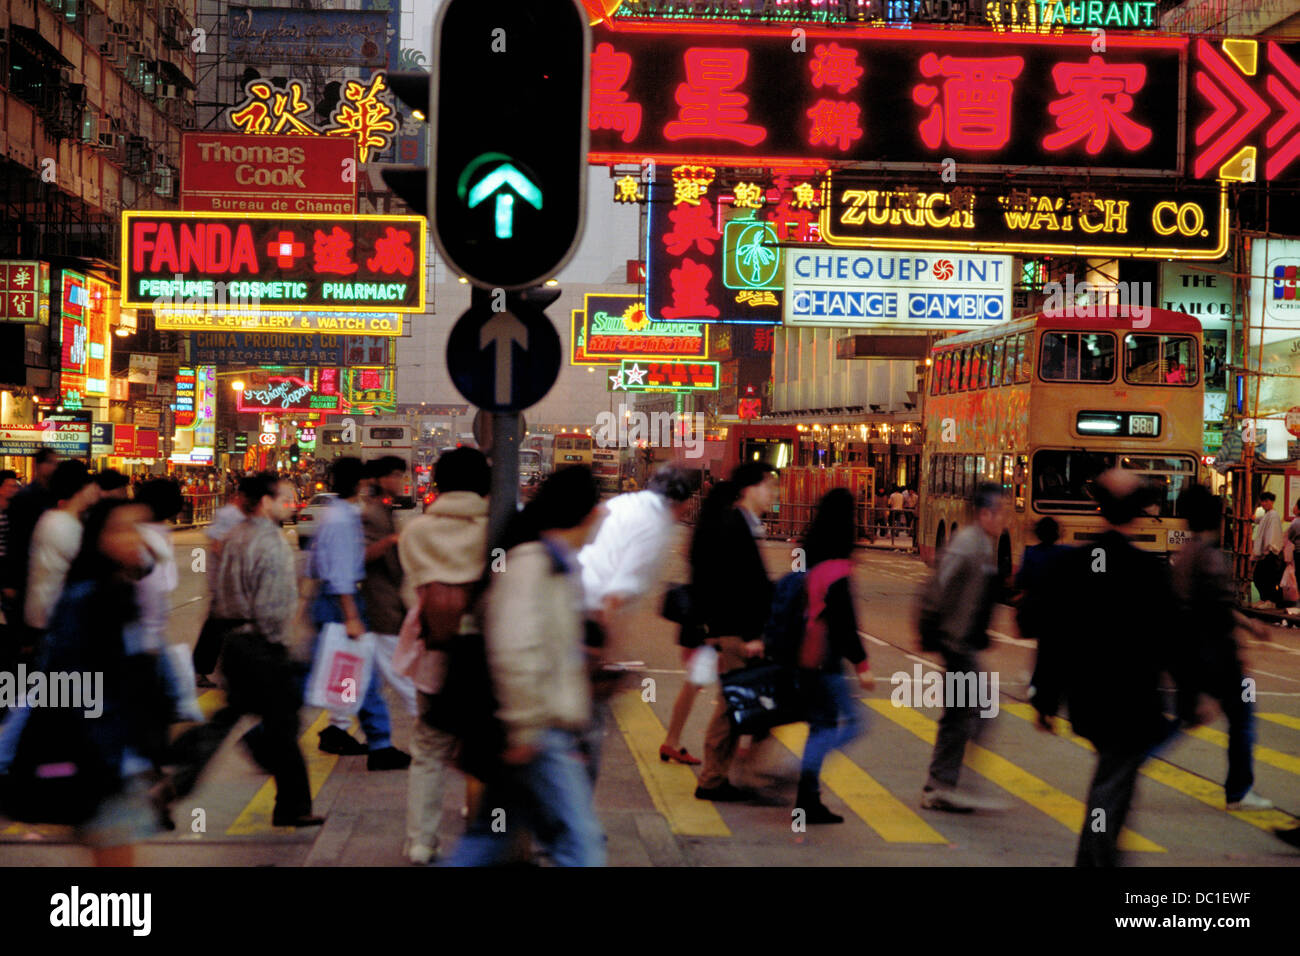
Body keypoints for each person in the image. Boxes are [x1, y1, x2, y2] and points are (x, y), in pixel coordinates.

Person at [1037, 470, 1199, 866]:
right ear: (1140, 514)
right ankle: (1096, 857)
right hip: (1131, 701)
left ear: (1099, 509)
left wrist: (1044, 695)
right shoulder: (1148, 570)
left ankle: (1099, 853)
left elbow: (1055, 634)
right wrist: (1191, 695)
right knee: (1113, 782)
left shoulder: (1074, 563)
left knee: (1114, 776)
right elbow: (1172, 638)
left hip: (1088, 699)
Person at [448, 466, 607, 867]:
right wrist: (525, 727)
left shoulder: (554, 562)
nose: (603, 515)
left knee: (488, 839)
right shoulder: (532, 563)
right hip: (538, 734)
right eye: (598, 507)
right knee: (581, 847)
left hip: (537, 731)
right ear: (584, 514)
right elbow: (515, 648)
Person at [4, 499, 174, 865]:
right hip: (99, 758)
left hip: (118, 756)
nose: (135, 538)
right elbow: (64, 681)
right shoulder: (87, 598)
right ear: (98, 538)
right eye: (123, 529)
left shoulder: (122, 592)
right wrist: (103, 752)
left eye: (140, 528)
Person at [167, 473, 323, 828]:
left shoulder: (231, 538)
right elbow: (273, 607)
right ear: (265, 501)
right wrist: (278, 644)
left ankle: (176, 779)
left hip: (233, 642)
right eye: (282, 498)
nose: (288, 504)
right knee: (282, 729)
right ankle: (292, 807)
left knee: (230, 719)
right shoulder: (271, 544)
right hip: (262, 646)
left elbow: (217, 591)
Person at [396, 448, 491, 865]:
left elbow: (408, 597)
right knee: (490, 748)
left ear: (438, 483)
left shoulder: (416, 532)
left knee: (429, 750)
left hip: (435, 655)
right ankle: (490, 830)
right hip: (487, 660)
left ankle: (422, 841)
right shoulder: (497, 528)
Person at [579, 465, 693, 776]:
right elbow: (613, 598)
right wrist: (606, 659)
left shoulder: (622, 503)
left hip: (564, 607)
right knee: (585, 736)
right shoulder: (654, 526)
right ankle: (570, 820)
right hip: (583, 626)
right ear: (678, 504)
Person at [1173, 486, 1273, 812]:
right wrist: (1246, 630)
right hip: (1220, 656)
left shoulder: (1186, 553)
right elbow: (1218, 607)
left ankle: (1128, 762)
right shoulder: (1209, 555)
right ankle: (1239, 790)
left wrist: (1250, 626)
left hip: (1198, 654)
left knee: (1184, 720)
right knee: (1242, 720)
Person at [308, 457, 409, 770]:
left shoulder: (339, 515)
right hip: (342, 602)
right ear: (360, 482)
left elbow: (315, 565)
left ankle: (353, 735)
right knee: (346, 675)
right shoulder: (342, 520)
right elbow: (340, 574)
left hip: (337, 600)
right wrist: (351, 614)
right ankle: (378, 745)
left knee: (350, 673)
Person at [694, 462, 778, 802]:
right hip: (739, 633)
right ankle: (714, 779)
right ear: (749, 489)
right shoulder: (735, 525)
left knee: (736, 704)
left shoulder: (745, 524)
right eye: (768, 485)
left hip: (737, 631)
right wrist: (749, 634)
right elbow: (735, 585)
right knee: (733, 706)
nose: (774, 492)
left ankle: (722, 777)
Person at [919, 483, 1005, 812]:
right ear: (985, 513)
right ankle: (942, 785)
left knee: (968, 714)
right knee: (966, 715)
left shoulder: (982, 543)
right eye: (1001, 512)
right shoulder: (968, 543)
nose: (1004, 520)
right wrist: (932, 628)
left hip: (962, 640)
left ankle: (943, 784)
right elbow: (940, 584)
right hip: (955, 643)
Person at [795, 488, 874, 824]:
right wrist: (863, 664)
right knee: (852, 723)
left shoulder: (810, 551)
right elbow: (845, 619)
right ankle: (799, 773)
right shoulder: (838, 565)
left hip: (805, 652)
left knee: (821, 725)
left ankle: (807, 798)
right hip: (826, 657)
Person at [661, 480, 736, 766]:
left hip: (697, 624)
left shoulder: (700, 532)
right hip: (709, 627)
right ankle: (724, 746)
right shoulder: (721, 533)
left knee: (697, 685)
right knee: (725, 684)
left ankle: (673, 741)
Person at [352, 455, 418, 738]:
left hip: (383, 605)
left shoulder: (384, 509)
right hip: (381, 605)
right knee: (401, 675)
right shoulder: (371, 513)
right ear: (379, 480)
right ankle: (430, 724)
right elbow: (360, 556)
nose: (401, 481)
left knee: (366, 676)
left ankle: (338, 726)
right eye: (395, 475)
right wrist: (391, 542)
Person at [25, 461, 101, 638]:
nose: (97, 490)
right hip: (54, 619)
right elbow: (87, 567)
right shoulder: (62, 525)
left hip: (55, 616)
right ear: (81, 489)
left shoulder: (59, 519)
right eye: (92, 484)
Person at [1016, 517, 1071, 729]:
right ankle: (1051, 707)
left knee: (1043, 658)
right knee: (1058, 661)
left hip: (1038, 616)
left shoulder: (1031, 553)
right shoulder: (1067, 553)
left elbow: (1021, 581)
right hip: (1061, 617)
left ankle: (1040, 702)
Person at [1, 449, 59, 646]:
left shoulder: (54, 497)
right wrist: (10, 581)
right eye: (50, 463)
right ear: (39, 465)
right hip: (25, 571)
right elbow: (15, 540)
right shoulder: (26, 497)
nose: (54, 468)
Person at [192, 487, 247, 686]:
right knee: (217, 628)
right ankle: (201, 670)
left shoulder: (242, 516)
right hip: (226, 584)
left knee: (226, 627)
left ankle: (222, 670)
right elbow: (218, 546)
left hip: (232, 584)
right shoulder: (230, 515)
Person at [1251, 491, 1284, 608]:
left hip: (1271, 552)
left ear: (1272, 502)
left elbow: (1272, 534)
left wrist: (1269, 549)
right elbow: (1258, 520)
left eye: (1267, 501)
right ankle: (1264, 598)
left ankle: (1270, 601)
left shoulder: (1273, 515)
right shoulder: (1267, 515)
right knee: (1258, 577)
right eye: (1263, 501)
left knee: (1266, 577)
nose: (1264, 503)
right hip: (1265, 552)